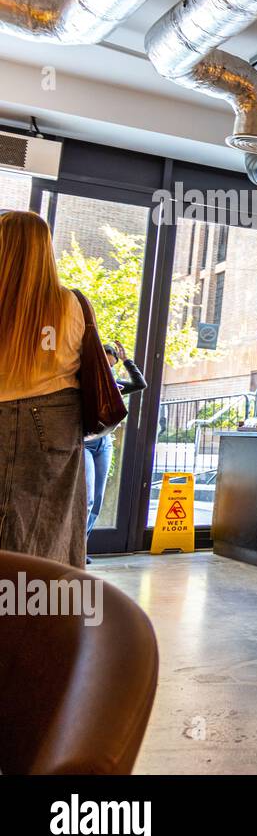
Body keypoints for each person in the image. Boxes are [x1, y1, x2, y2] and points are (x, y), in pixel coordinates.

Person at [0, 210, 94, 568]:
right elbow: (78, 361)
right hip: (54, 422)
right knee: (52, 522)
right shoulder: (71, 304)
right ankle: (43, 612)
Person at [85, 341, 147, 536]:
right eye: (106, 365)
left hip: (105, 444)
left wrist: (127, 361)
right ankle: (73, 549)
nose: (109, 370)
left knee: (97, 497)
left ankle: (82, 547)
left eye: (112, 366)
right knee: (87, 499)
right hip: (84, 443)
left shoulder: (115, 387)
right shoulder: (85, 381)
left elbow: (140, 384)